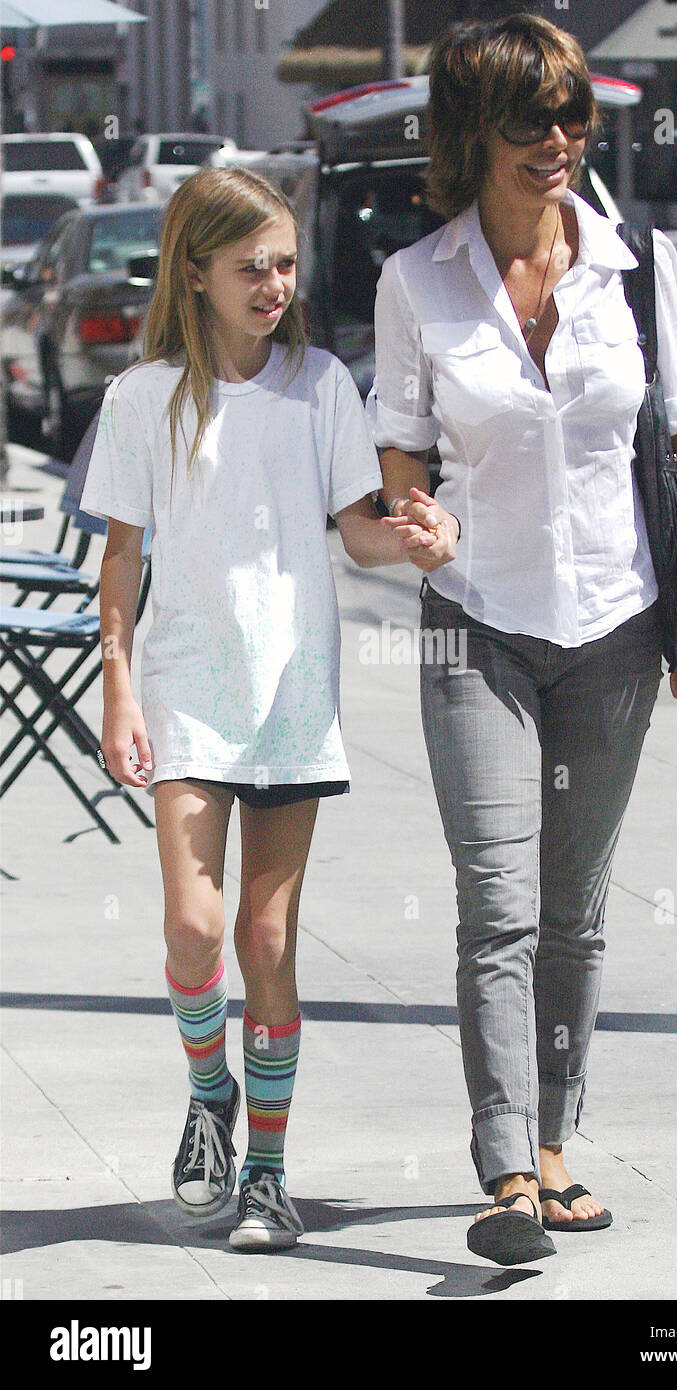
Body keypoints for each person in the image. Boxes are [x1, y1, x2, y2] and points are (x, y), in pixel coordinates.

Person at [369, 13, 677, 1266]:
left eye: (576, 116)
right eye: (533, 119)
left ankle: (562, 1141)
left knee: (575, 912)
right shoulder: (418, 280)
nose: (562, 140)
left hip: (618, 627)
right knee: (500, 905)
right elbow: (401, 455)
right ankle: (507, 1165)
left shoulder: (637, 265)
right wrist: (411, 522)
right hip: (478, 622)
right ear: (474, 133)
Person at [80, 167, 410, 1252]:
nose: (273, 283)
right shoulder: (142, 400)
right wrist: (116, 685)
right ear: (197, 273)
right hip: (184, 689)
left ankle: (266, 1171)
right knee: (192, 926)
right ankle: (208, 1090)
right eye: (249, 266)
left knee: (268, 940)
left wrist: (411, 535)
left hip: (291, 691)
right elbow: (119, 562)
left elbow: (356, 528)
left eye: (282, 262)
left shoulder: (322, 384)